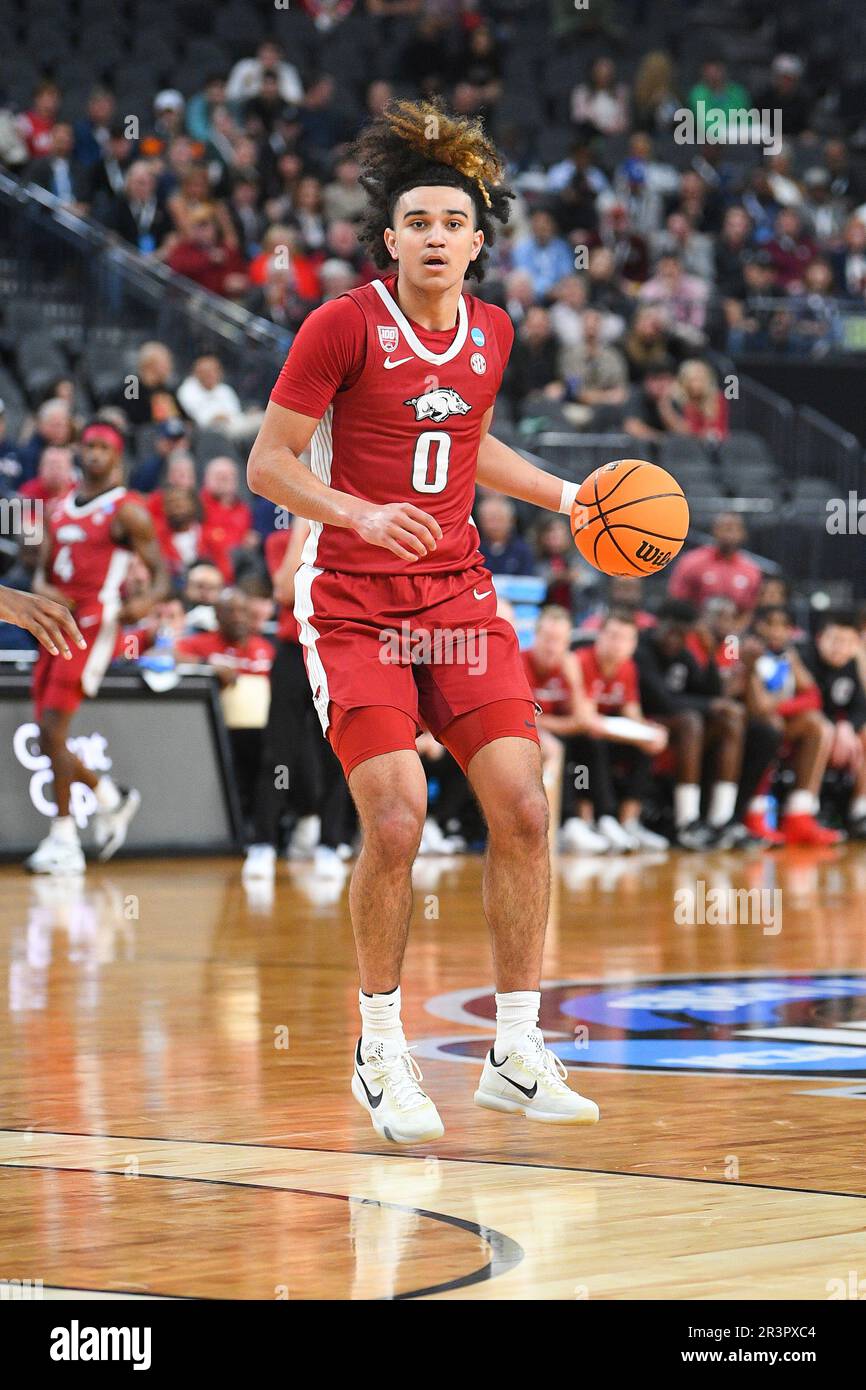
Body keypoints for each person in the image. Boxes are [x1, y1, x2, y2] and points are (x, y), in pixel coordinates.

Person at [247, 98, 601, 1143]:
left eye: (455, 220)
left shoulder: (491, 333)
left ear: (480, 241)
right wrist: (358, 510)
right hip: (353, 601)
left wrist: (566, 497)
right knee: (396, 816)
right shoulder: (341, 324)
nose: (437, 236)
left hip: (457, 594)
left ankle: (515, 1050)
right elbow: (267, 463)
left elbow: (474, 443)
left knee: (524, 810)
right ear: (390, 239)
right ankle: (377, 1048)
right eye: (419, 222)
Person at [26, 421, 168, 874]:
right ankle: (111, 796)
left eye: (102, 447)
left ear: (117, 456)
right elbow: (40, 575)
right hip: (51, 622)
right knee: (48, 734)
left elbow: (162, 574)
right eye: (87, 445)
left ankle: (65, 838)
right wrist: (46, 591)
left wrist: (143, 602)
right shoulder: (60, 505)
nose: (92, 453)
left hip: (92, 626)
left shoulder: (128, 510)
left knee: (52, 730)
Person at [636, 600, 755, 849]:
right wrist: (712, 705)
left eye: (682, 635)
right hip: (644, 720)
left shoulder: (682, 652)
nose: (674, 639)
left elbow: (711, 691)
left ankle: (720, 820)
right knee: (692, 720)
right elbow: (663, 701)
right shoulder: (642, 649)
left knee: (730, 720)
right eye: (670, 631)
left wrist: (710, 653)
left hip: (678, 724)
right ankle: (686, 822)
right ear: (658, 625)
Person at [746, 606, 842, 845]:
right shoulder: (745, 650)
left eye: (783, 625)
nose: (776, 631)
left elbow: (813, 697)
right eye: (770, 623)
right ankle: (754, 814)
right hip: (748, 727)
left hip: (776, 721)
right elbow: (757, 707)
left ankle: (799, 815)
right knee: (771, 728)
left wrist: (777, 706)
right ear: (758, 626)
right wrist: (783, 705)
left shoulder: (789, 655)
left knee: (818, 725)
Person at [802, 611, 866, 838]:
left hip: (838, 735)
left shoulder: (851, 665)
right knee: (822, 731)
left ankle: (860, 811)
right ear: (820, 638)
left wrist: (847, 726)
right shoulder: (805, 659)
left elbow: (859, 705)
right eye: (835, 640)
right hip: (806, 732)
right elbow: (807, 703)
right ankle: (806, 810)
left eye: (848, 642)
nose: (841, 648)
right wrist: (835, 728)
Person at [668, 513, 762, 619]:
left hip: (735, 630)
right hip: (694, 627)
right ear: (714, 530)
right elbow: (677, 599)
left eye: (734, 528)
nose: (729, 533)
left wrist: (736, 630)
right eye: (725, 527)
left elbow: (751, 608)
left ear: (743, 534)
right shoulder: (691, 561)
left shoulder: (751, 569)